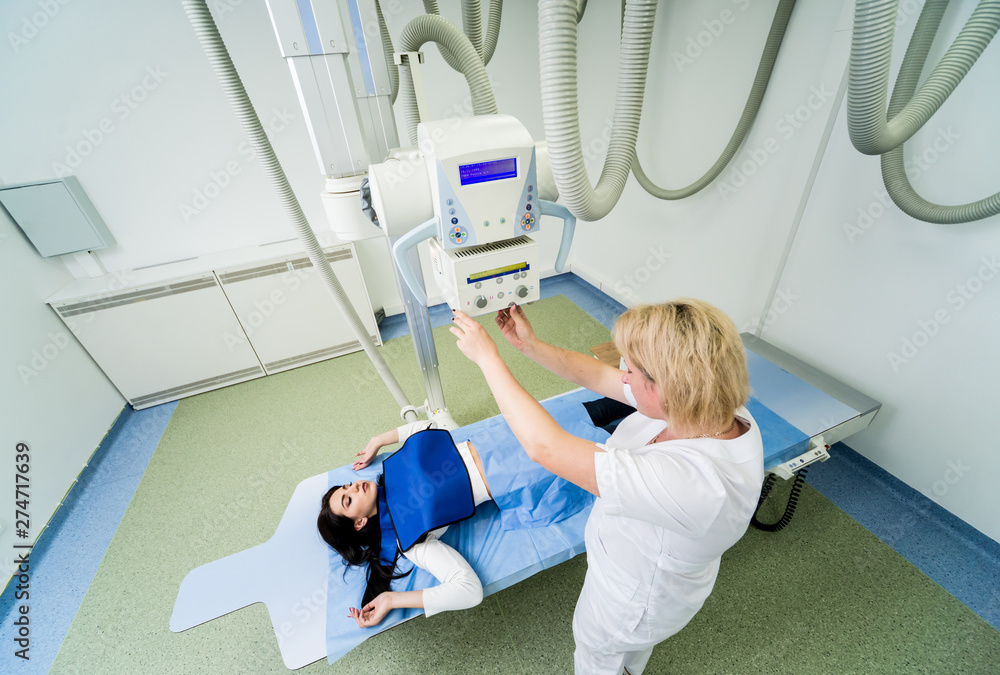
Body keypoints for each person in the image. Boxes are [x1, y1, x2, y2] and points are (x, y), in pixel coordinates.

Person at [449, 298, 764, 675]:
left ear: (669, 386)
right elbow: (597, 376)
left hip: (633, 600)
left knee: (598, 655)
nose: (622, 376)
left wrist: (488, 359)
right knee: (627, 658)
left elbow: (545, 447)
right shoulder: (709, 406)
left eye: (630, 369)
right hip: (644, 569)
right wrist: (529, 346)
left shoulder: (694, 484)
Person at [317, 417, 593, 630]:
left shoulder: (393, 471)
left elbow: (426, 427)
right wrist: (391, 600)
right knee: (604, 444)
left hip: (502, 433)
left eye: (347, 486)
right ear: (359, 523)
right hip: (521, 469)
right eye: (348, 500)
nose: (354, 488)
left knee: (595, 410)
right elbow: (469, 591)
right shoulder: (412, 540)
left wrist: (378, 440)